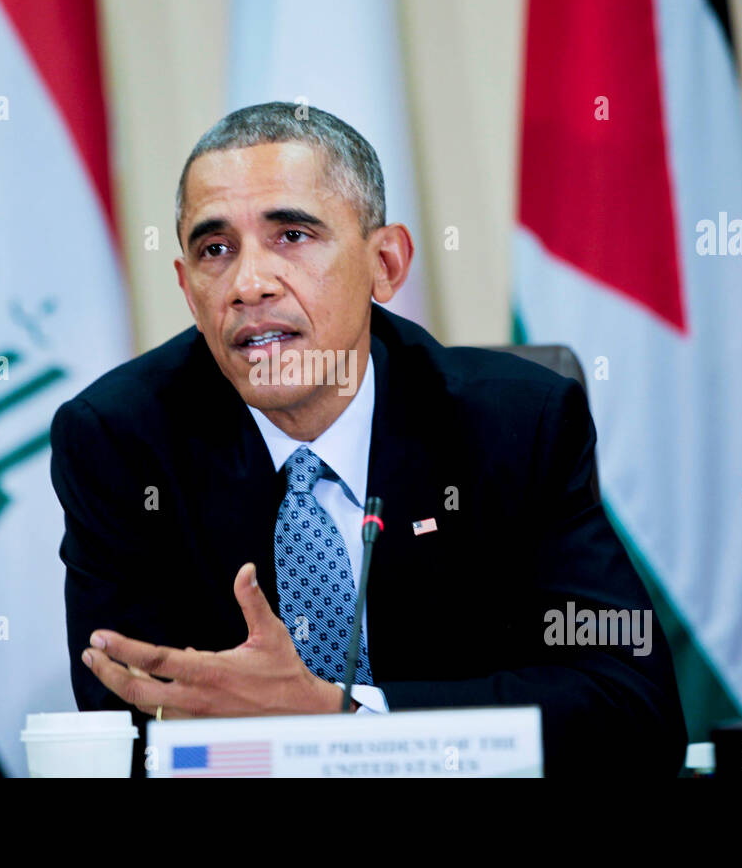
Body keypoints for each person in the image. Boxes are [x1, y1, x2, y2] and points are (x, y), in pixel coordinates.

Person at [50, 102, 686, 776]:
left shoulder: (514, 424)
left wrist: (339, 720)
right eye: (215, 250)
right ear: (187, 288)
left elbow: (632, 705)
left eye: (292, 235)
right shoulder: (121, 442)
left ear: (385, 263)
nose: (249, 284)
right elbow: (122, 725)